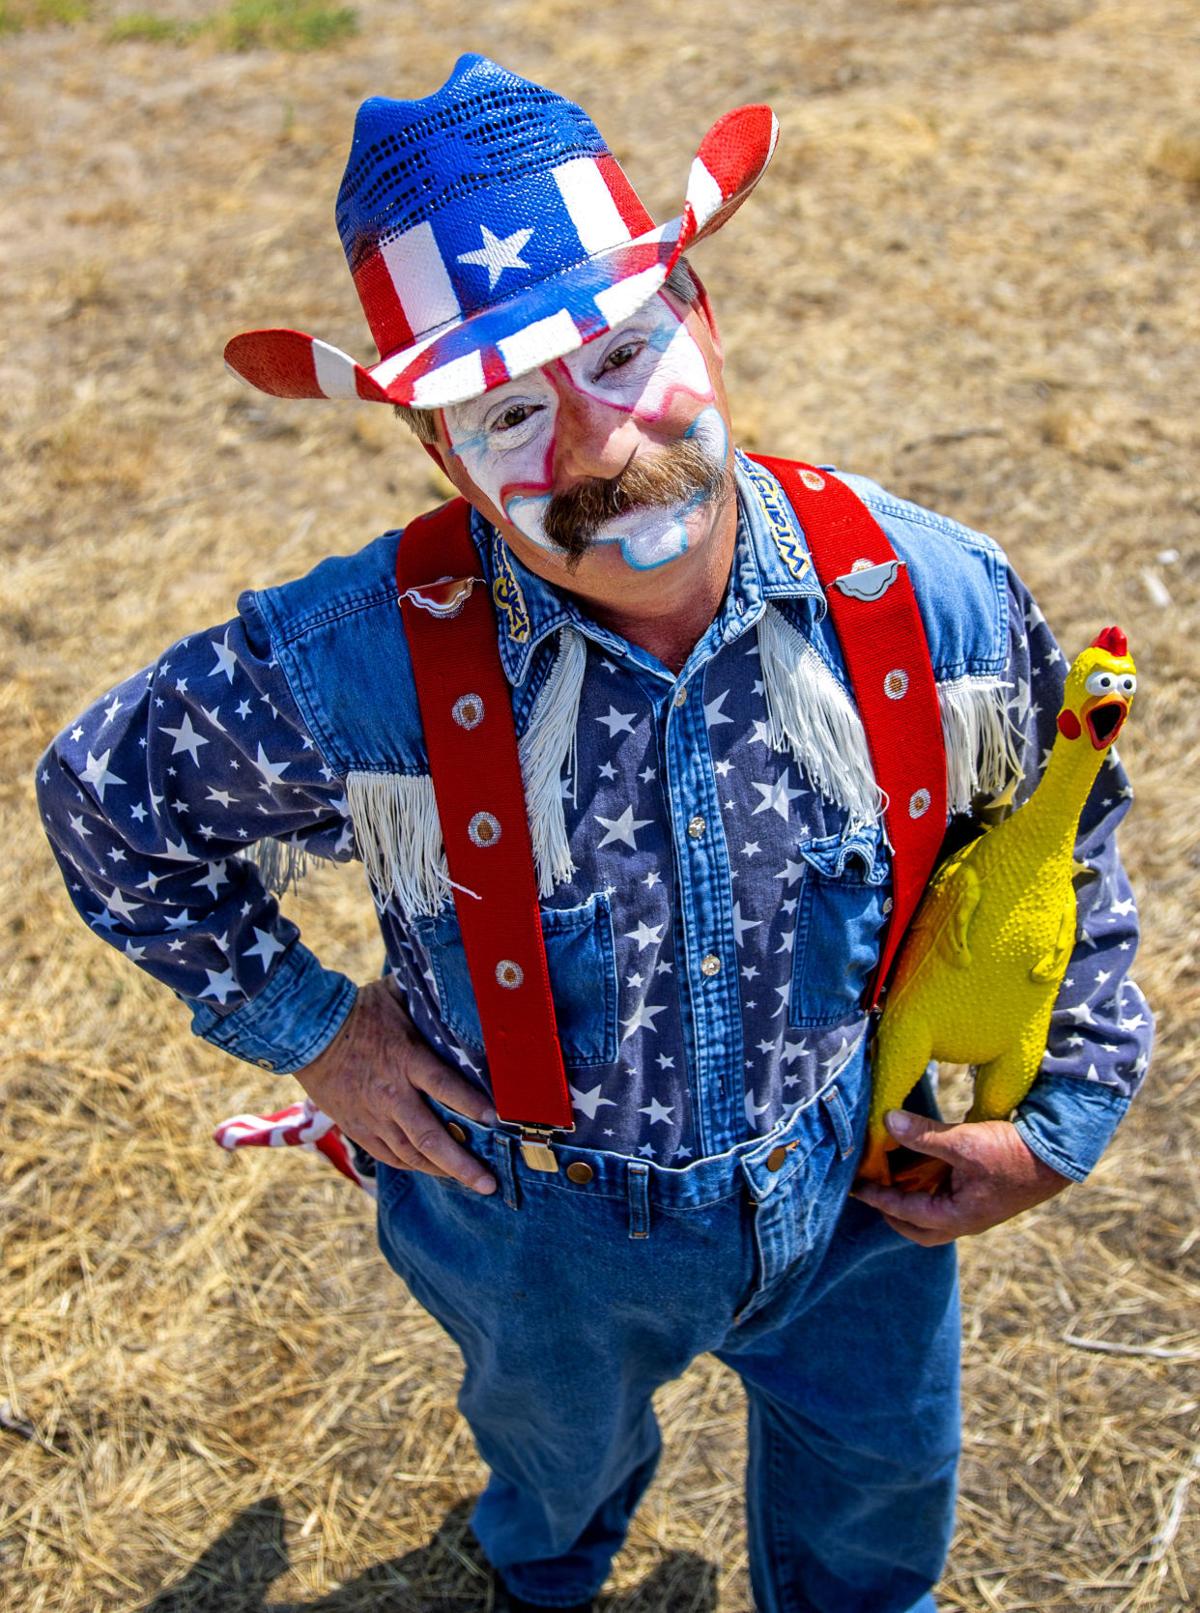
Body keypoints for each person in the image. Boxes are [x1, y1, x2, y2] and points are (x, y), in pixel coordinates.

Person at [35, 53, 1153, 1613]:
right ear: (440, 450)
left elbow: (1061, 828)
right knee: (552, 1465)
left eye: (623, 353)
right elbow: (104, 797)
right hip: (534, 1235)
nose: (598, 449)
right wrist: (316, 1032)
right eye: (508, 409)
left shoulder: (927, 596)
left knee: (880, 1480)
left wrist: (1066, 1105)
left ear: (701, 312)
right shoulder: (361, 662)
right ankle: (548, 1574)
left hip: (858, 1183)